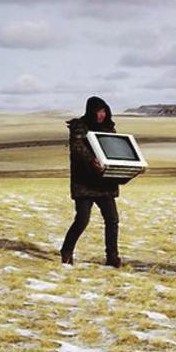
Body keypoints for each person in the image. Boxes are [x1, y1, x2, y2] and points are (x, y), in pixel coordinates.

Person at [59, 96, 122, 267]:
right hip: (84, 183)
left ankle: (112, 256)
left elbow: (115, 150)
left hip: (104, 182)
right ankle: (67, 250)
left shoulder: (109, 128)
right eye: (98, 111)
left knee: (112, 219)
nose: (101, 115)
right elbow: (78, 149)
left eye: (103, 111)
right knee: (82, 219)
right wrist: (92, 162)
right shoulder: (79, 126)